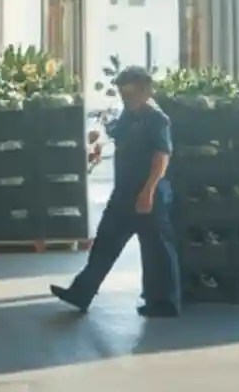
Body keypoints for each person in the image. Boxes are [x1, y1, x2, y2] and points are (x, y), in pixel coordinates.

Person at [51, 66, 181, 317]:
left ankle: (164, 303)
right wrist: (98, 145)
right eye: (122, 94)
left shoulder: (157, 120)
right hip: (124, 192)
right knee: (105, 243)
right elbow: (114, 136)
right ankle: (81, 293)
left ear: (145, 91)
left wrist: (149, 191)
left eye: (130, 93)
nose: (126, 98)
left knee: (156, 250)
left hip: (148, 194)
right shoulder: (129, 116)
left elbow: (161, 157)